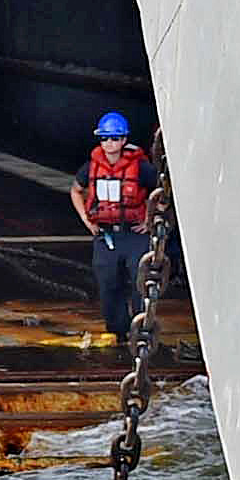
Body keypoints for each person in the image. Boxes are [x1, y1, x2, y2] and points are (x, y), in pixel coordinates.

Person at [73, 112, 165, 343]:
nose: (109, 144)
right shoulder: (91, 167)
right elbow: (76, 189)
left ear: (123, 140)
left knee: (139, 282)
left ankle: (140, 329)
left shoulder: (141, 169)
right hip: (105, 235)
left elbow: (161, 195)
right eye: (104, 139)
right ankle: (118, 331)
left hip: (134, 234)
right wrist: (86, 219)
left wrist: (150, 220)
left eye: (114, 138)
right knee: (108, 283)